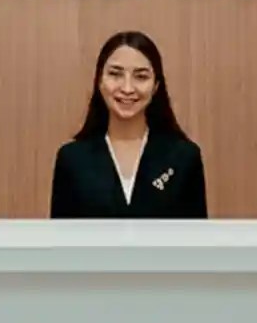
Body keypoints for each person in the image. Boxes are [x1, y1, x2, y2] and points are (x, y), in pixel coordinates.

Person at [50, 31, 207, 218]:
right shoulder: (72, 159)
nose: (127, 88)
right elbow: (61, 242)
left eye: (141, 77)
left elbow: (196, 242)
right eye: (115, 74)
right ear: (99, 82)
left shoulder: (184, 157)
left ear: (156, 86)